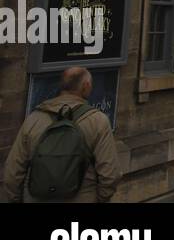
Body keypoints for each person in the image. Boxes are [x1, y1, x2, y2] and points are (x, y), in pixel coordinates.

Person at [4, 66, 120, 203]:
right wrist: (99, 199)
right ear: (86, 86)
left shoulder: (34, 119)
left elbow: (12, 173)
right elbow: (110, 174)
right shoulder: (98, 121)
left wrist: (16, 199)